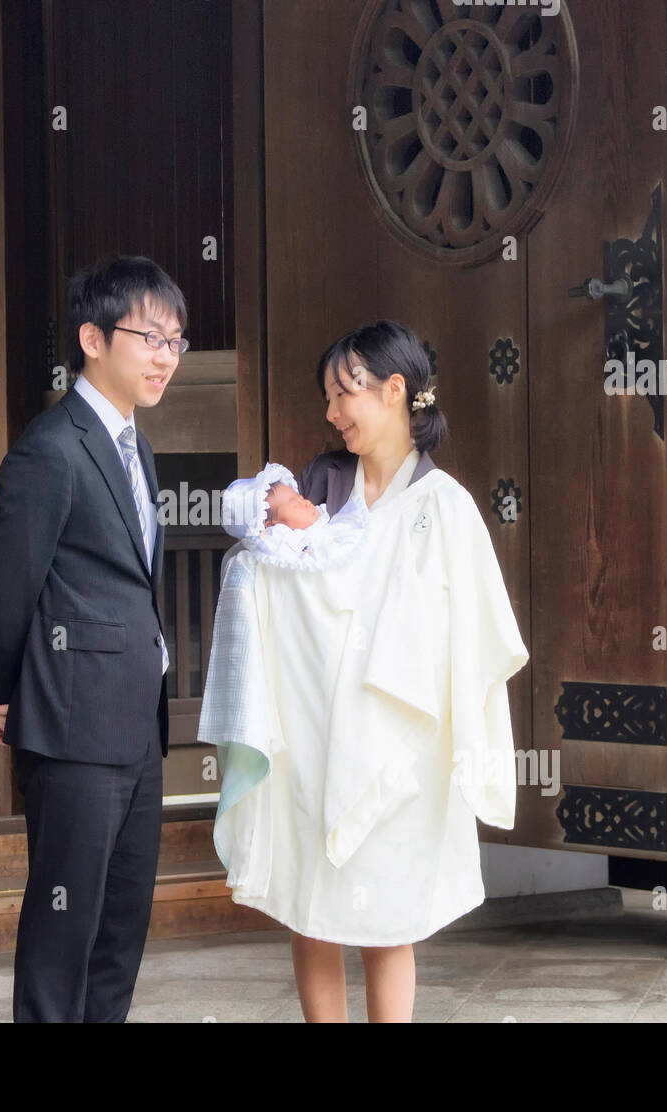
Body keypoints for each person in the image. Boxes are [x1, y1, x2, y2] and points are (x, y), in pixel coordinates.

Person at [198, 320, 529, 1022]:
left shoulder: (444, 507)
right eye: (328, 396)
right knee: (311, 904)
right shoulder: (318, 484)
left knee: (388, 914)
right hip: (312, 728)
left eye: (344, 393)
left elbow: (472, 633)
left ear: (396, 391)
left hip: (397, 741)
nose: (332, 412)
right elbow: (260, 567)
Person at [0, 255, 186, 1022]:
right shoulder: (50, 447)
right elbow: (5, 588)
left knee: (120, 935)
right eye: (150, 336)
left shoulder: (136, 446)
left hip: (136, 727)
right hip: (71, 728)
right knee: (65, 935)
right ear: (93, 338)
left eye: (176, 341)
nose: (166, 355)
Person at [220, 462, 369, 570]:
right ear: (271, 526)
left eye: (300, 498)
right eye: (295, 503)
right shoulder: (282, 541)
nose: (306, 502)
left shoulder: (326, 527)